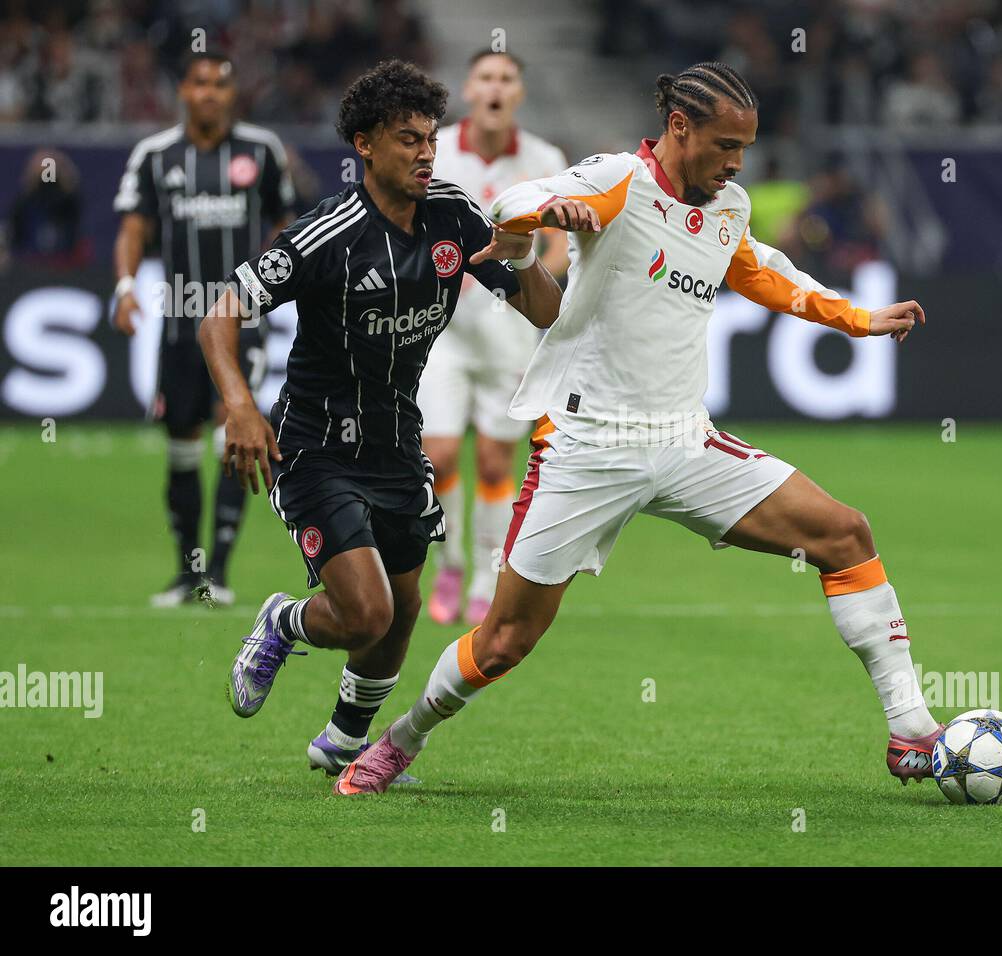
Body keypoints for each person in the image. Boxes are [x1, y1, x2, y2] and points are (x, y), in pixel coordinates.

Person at [331, 62, 943, 796]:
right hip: (587, 446)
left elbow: (763, 269)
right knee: (505, 642)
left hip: (686, 442)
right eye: (725, 145)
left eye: (744, 147)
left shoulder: (727, 208)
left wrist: (859, 316)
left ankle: (911, 729)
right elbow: (516, 200)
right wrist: (546, 215)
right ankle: (402, 739)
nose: (736, 163)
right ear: (680, 128)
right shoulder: (620, 179)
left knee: (845, 535)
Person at [198, 59, 562, 778]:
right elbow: (220, 313)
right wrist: (239, 406)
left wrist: (521, 256)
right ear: (364, 145)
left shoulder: (457, 217)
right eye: (407, 140)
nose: (426, 152)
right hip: (314, 448)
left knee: (400, 611)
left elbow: (546, 312)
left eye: (430, 138)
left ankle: (342, 740)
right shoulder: (324, 233)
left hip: (398, 445)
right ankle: (283, 620)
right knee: (364, 614)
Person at [112, 50, 295, 607]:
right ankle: (186, 571)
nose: (211, 92)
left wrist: (270, 284)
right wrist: (124, 288)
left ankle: (218, 571)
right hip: (178, 323)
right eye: (200, 83)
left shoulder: (262, 151)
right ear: (184, 92)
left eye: (220, 83)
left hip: (242, 320)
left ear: (231, 93)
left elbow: (285, 223)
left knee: (233, 432)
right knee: (182, 447)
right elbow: (134, 227)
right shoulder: (156, 154)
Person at [417, 49, 569, 627]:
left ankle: (486, 574)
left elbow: (558, 241)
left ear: (519, 93)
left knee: (493, 458)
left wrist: (534, 272)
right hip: (444, 330)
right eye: (486, 77)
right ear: (469, 89)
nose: (496, 87)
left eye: (507, 78)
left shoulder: (544, 159)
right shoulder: (439, 152)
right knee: (441, 453)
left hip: (509, 330)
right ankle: (450, 563)